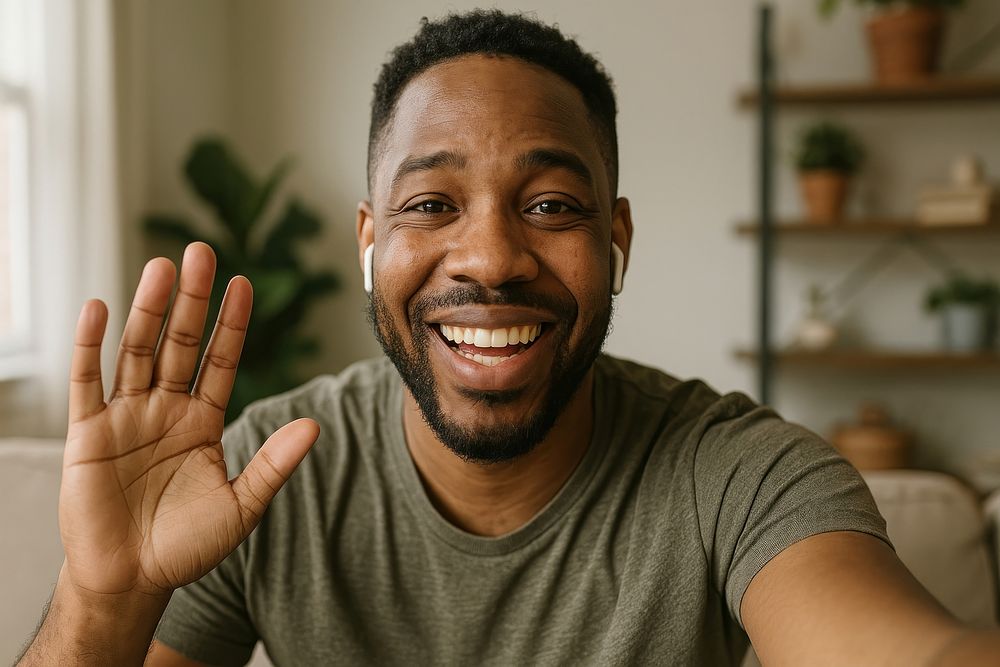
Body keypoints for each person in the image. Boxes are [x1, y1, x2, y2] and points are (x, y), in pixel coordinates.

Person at [16, 9, 1000, 666]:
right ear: (371, 241)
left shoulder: (739, 473)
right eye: (433, 203)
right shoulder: (259, 477)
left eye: (549, 204)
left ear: (615, 240)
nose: (488, 256)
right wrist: (104, 600)